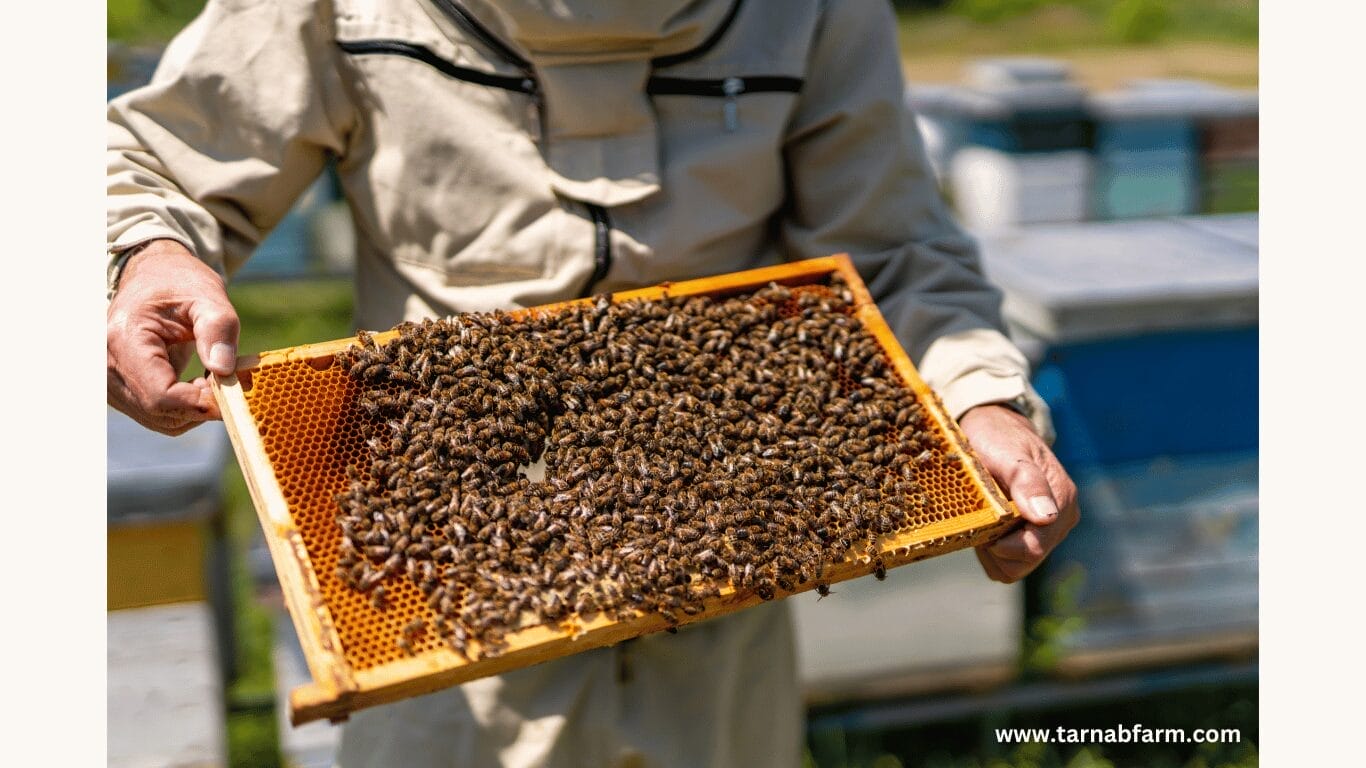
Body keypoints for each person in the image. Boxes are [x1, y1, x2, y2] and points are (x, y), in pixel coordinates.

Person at [106, 1, 1079, 765]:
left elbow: (895, 250)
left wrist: (977, 395)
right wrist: (144, 254)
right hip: (442, 572)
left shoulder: (819, 8)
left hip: (726, 553)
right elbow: (158, 160)